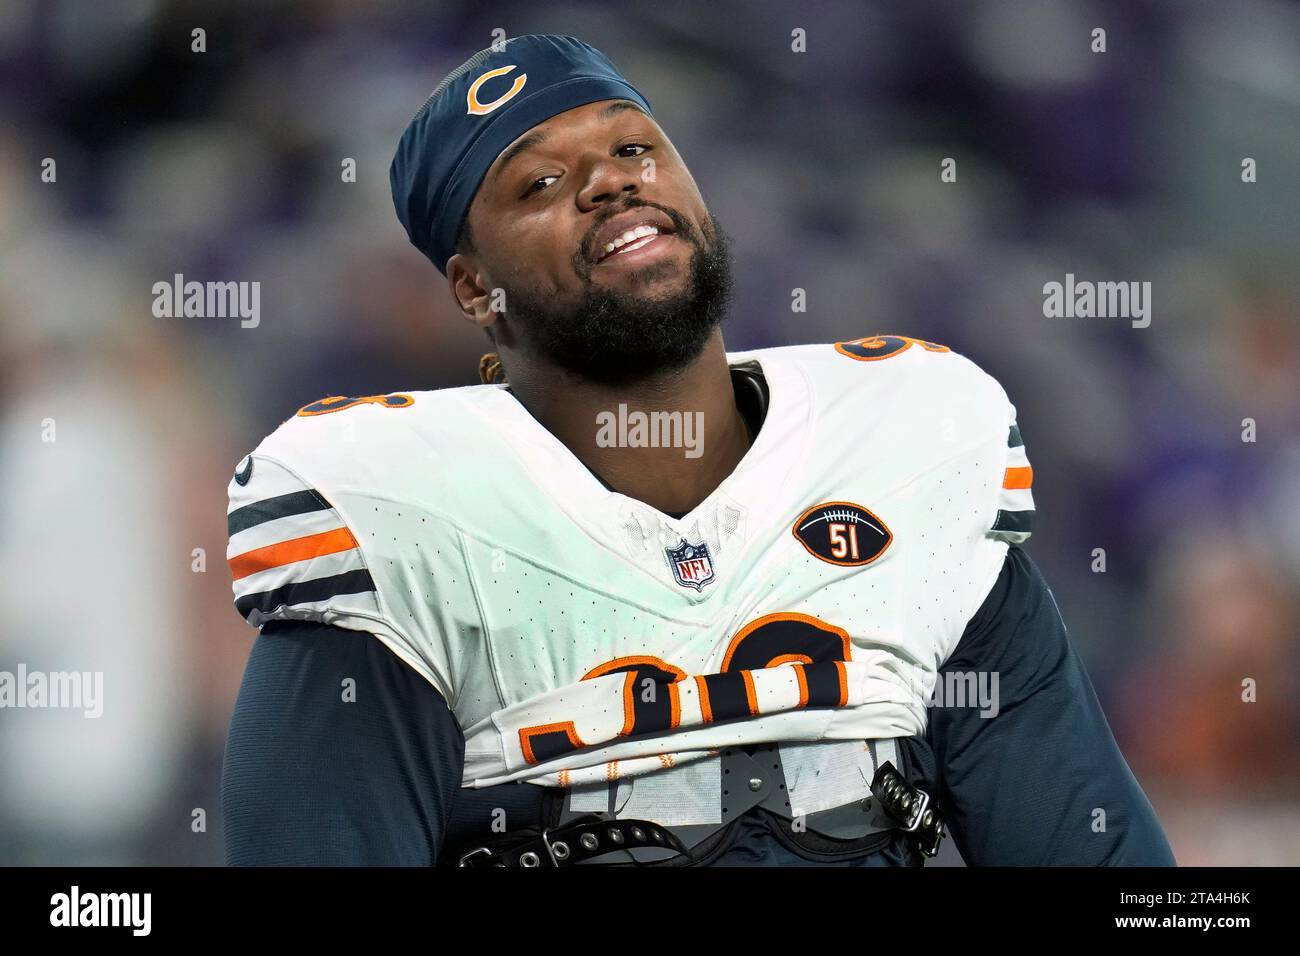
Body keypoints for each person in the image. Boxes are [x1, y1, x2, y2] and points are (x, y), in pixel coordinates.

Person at [221, 34, 1175, 867]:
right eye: (540, 183)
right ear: (474, 289)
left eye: (634, 146)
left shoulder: (909, 447)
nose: (610, 180)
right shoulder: (399, 519)